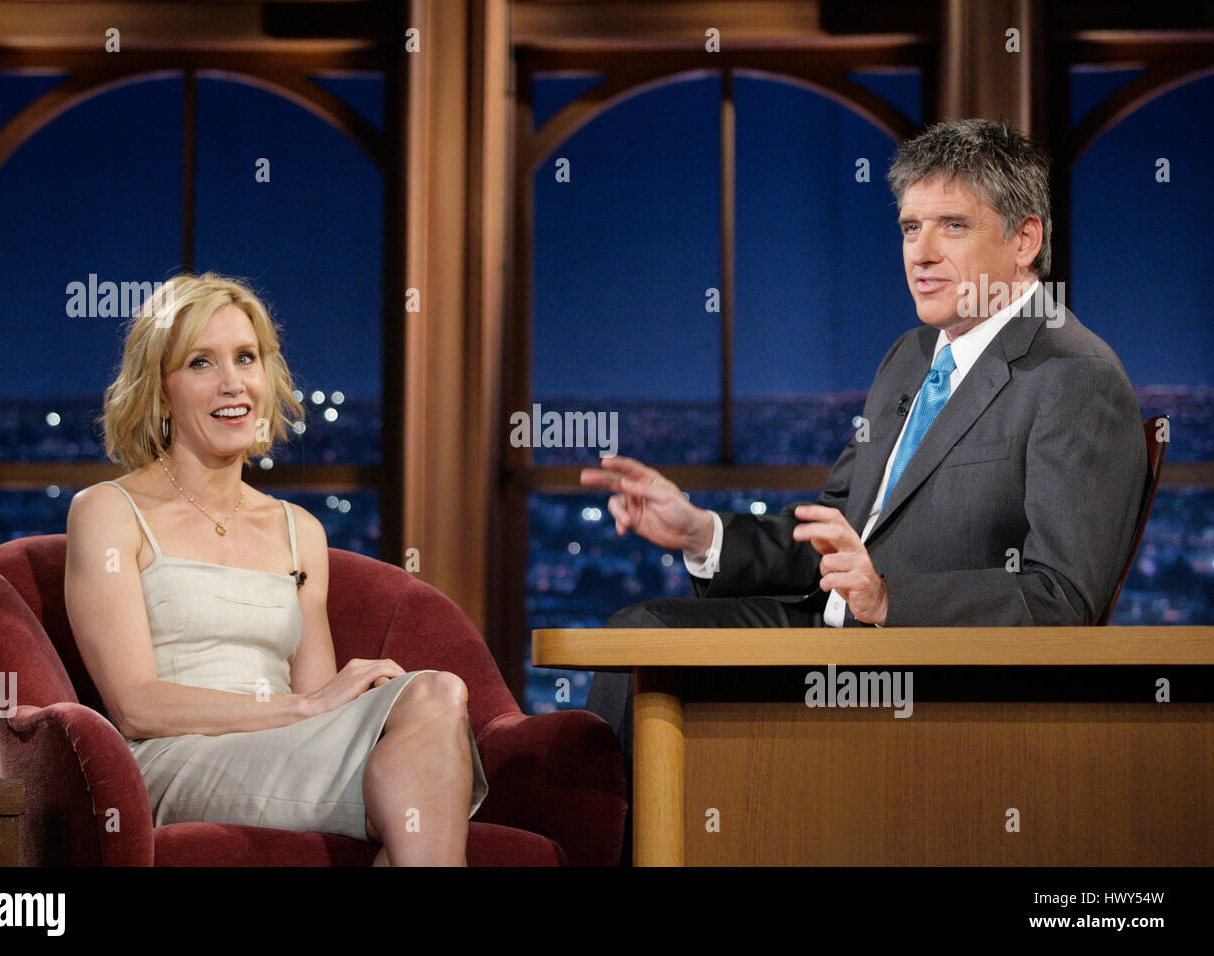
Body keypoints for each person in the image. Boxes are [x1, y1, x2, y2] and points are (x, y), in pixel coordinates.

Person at [580, 118, 1148, 773]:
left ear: (1025, 239)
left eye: (952, 226)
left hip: (927, 680)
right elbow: (838, 530)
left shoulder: (1075, 376)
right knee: (640, 632)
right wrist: (701, 533)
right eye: (911, 227)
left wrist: (886, 600)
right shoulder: (911, 357)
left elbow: (1063, 601)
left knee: (649, 647)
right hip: (832, 640)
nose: (921, 253)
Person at [65, 272, 487, 866]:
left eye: (246, 357)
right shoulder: (109, 512)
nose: (233, 383)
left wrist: (348, 701)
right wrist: (300, 710)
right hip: (173, 758)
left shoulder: (299, 531)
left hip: (290, 744)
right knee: (413, 792)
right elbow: (136, 705)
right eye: (200, 363)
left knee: (437, 696)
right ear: (159, 392)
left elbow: (318, 695)